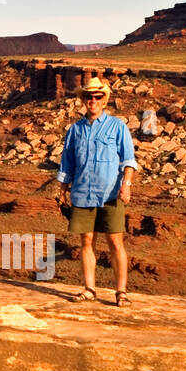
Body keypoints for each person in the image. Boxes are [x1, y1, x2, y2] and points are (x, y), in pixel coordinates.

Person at [55, 76, 138, 306]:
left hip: (111, 193)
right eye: (89, 96)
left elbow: (129, 160)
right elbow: (67, 163)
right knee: (86, 240)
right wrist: (62, 190)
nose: (93, 100)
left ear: (104, 100)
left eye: (98, 96)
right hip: (82, 193)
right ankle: (89, 289)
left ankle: (121, 292)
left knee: (115, 242)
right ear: (84, 100)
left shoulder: (117, 127)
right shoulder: (75, 130)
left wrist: (126, 186)